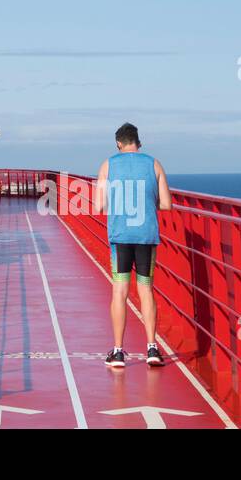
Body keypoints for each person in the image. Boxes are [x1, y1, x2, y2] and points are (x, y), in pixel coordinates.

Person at [92, 122, 171, 369]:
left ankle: (117, 352)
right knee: (146, 289)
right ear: (139, 142)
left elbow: (98, 206)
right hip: (146, 236)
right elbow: (167, 204)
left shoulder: (108, 165)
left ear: (118, 143)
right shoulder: (154, 164)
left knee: (120, 291)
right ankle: (152, 348)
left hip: (120, 237)